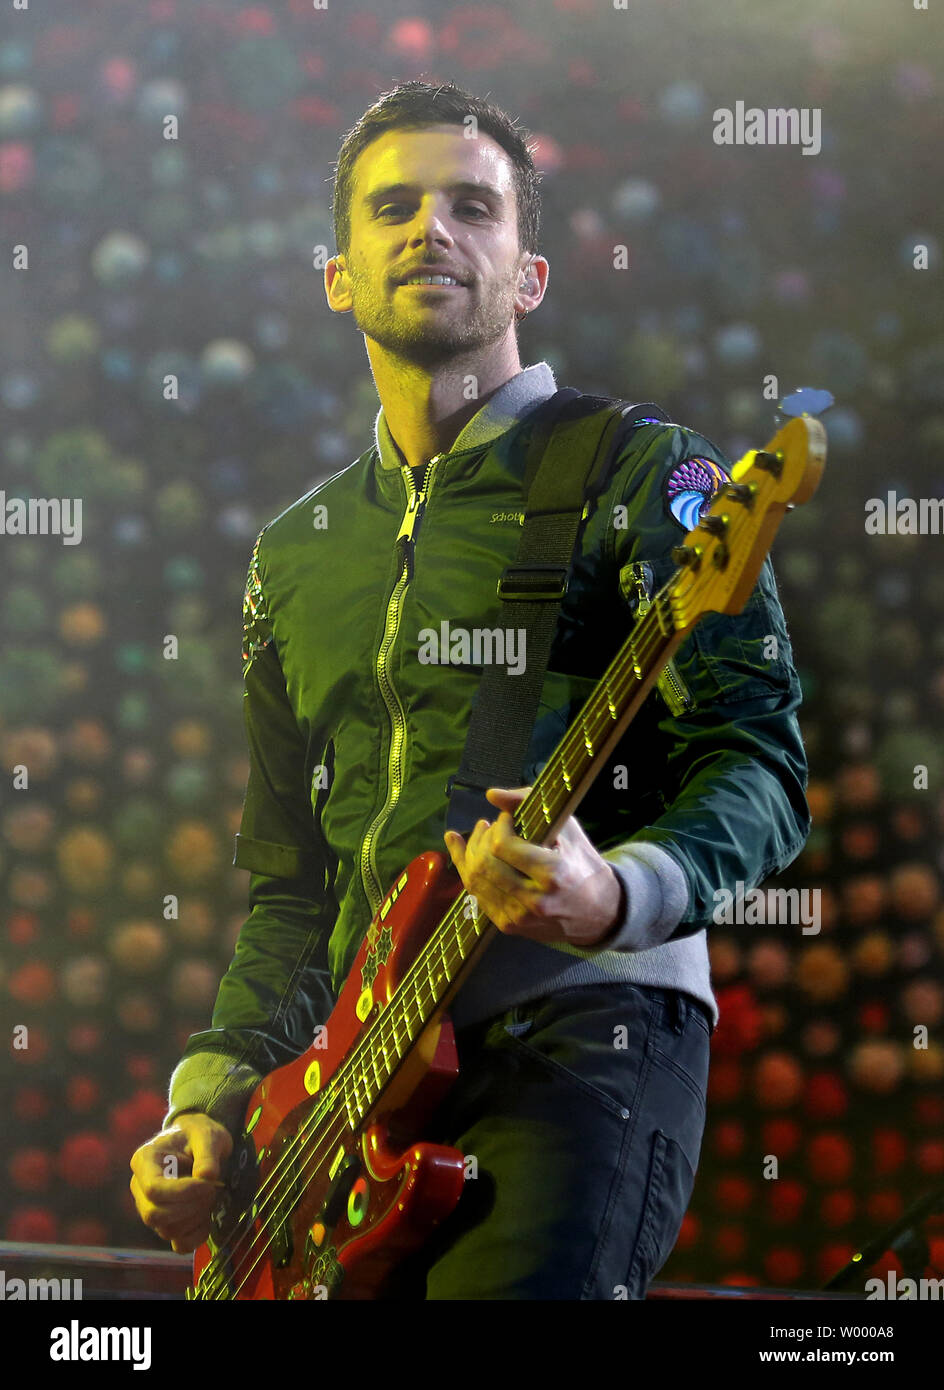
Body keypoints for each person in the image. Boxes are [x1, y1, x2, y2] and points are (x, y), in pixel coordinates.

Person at [130, 80, 810, 1299]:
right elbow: (294, 876)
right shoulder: (291, 554)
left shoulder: (642, 469)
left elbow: (757, 762)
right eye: (392, 207)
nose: (430, 229)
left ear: (528, 273)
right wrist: (219, 1094)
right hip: (351, 1092)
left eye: (473, 208)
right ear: (336, 274)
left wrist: (618, 890)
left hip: (583, 1028)